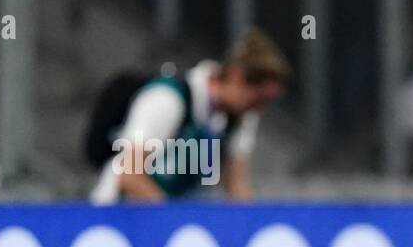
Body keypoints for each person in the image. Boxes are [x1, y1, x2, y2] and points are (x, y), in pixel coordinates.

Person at [89, 29, 289, 205]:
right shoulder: (168, 99)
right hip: (120, 217)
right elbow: (129, 174)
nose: (259, 110)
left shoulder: (240, 118)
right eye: (258, 100)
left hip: (168, 222)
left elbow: (236, 186)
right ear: (236, 76)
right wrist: (176, 222)